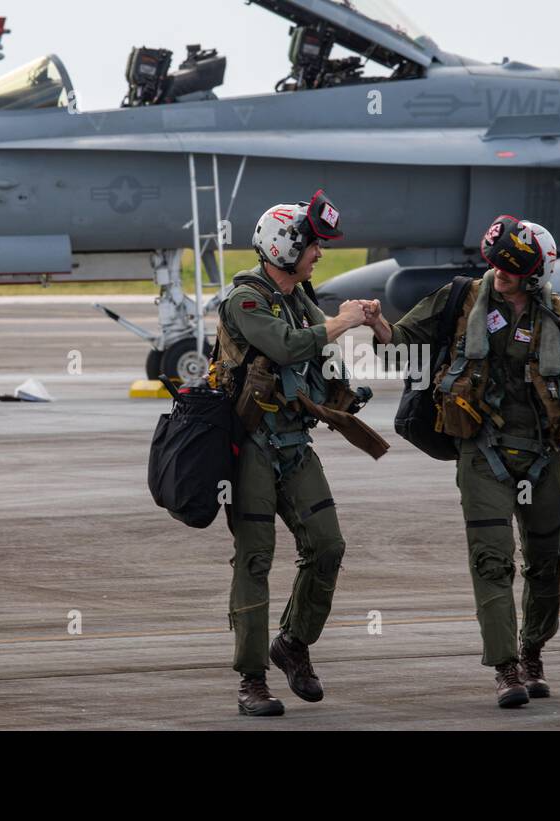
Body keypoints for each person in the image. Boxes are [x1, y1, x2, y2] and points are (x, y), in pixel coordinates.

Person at [365, 215, 560, 708]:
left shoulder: (558, 318)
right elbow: (399, 342)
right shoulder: (460, 300)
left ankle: (533, 651)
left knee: (545, 563)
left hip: (545, 456)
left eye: (512, 268)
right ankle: (505, 668)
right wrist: (376, 323)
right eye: (497, 265)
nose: (501, 274)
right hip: (483, 453)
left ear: (535, 274)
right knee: (492, 560)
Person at [211, 190, 370, 717]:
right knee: (255, 561)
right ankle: (252, 679)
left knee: (328, 546)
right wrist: (343, 322)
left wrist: (345, 395)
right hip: (252, 452)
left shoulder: (299, 298)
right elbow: (284, 345)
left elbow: (313, 357)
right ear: (285, 248)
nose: (319, 255)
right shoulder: (246, 300)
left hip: (294, 447)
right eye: (313, 247)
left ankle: (293, 643)